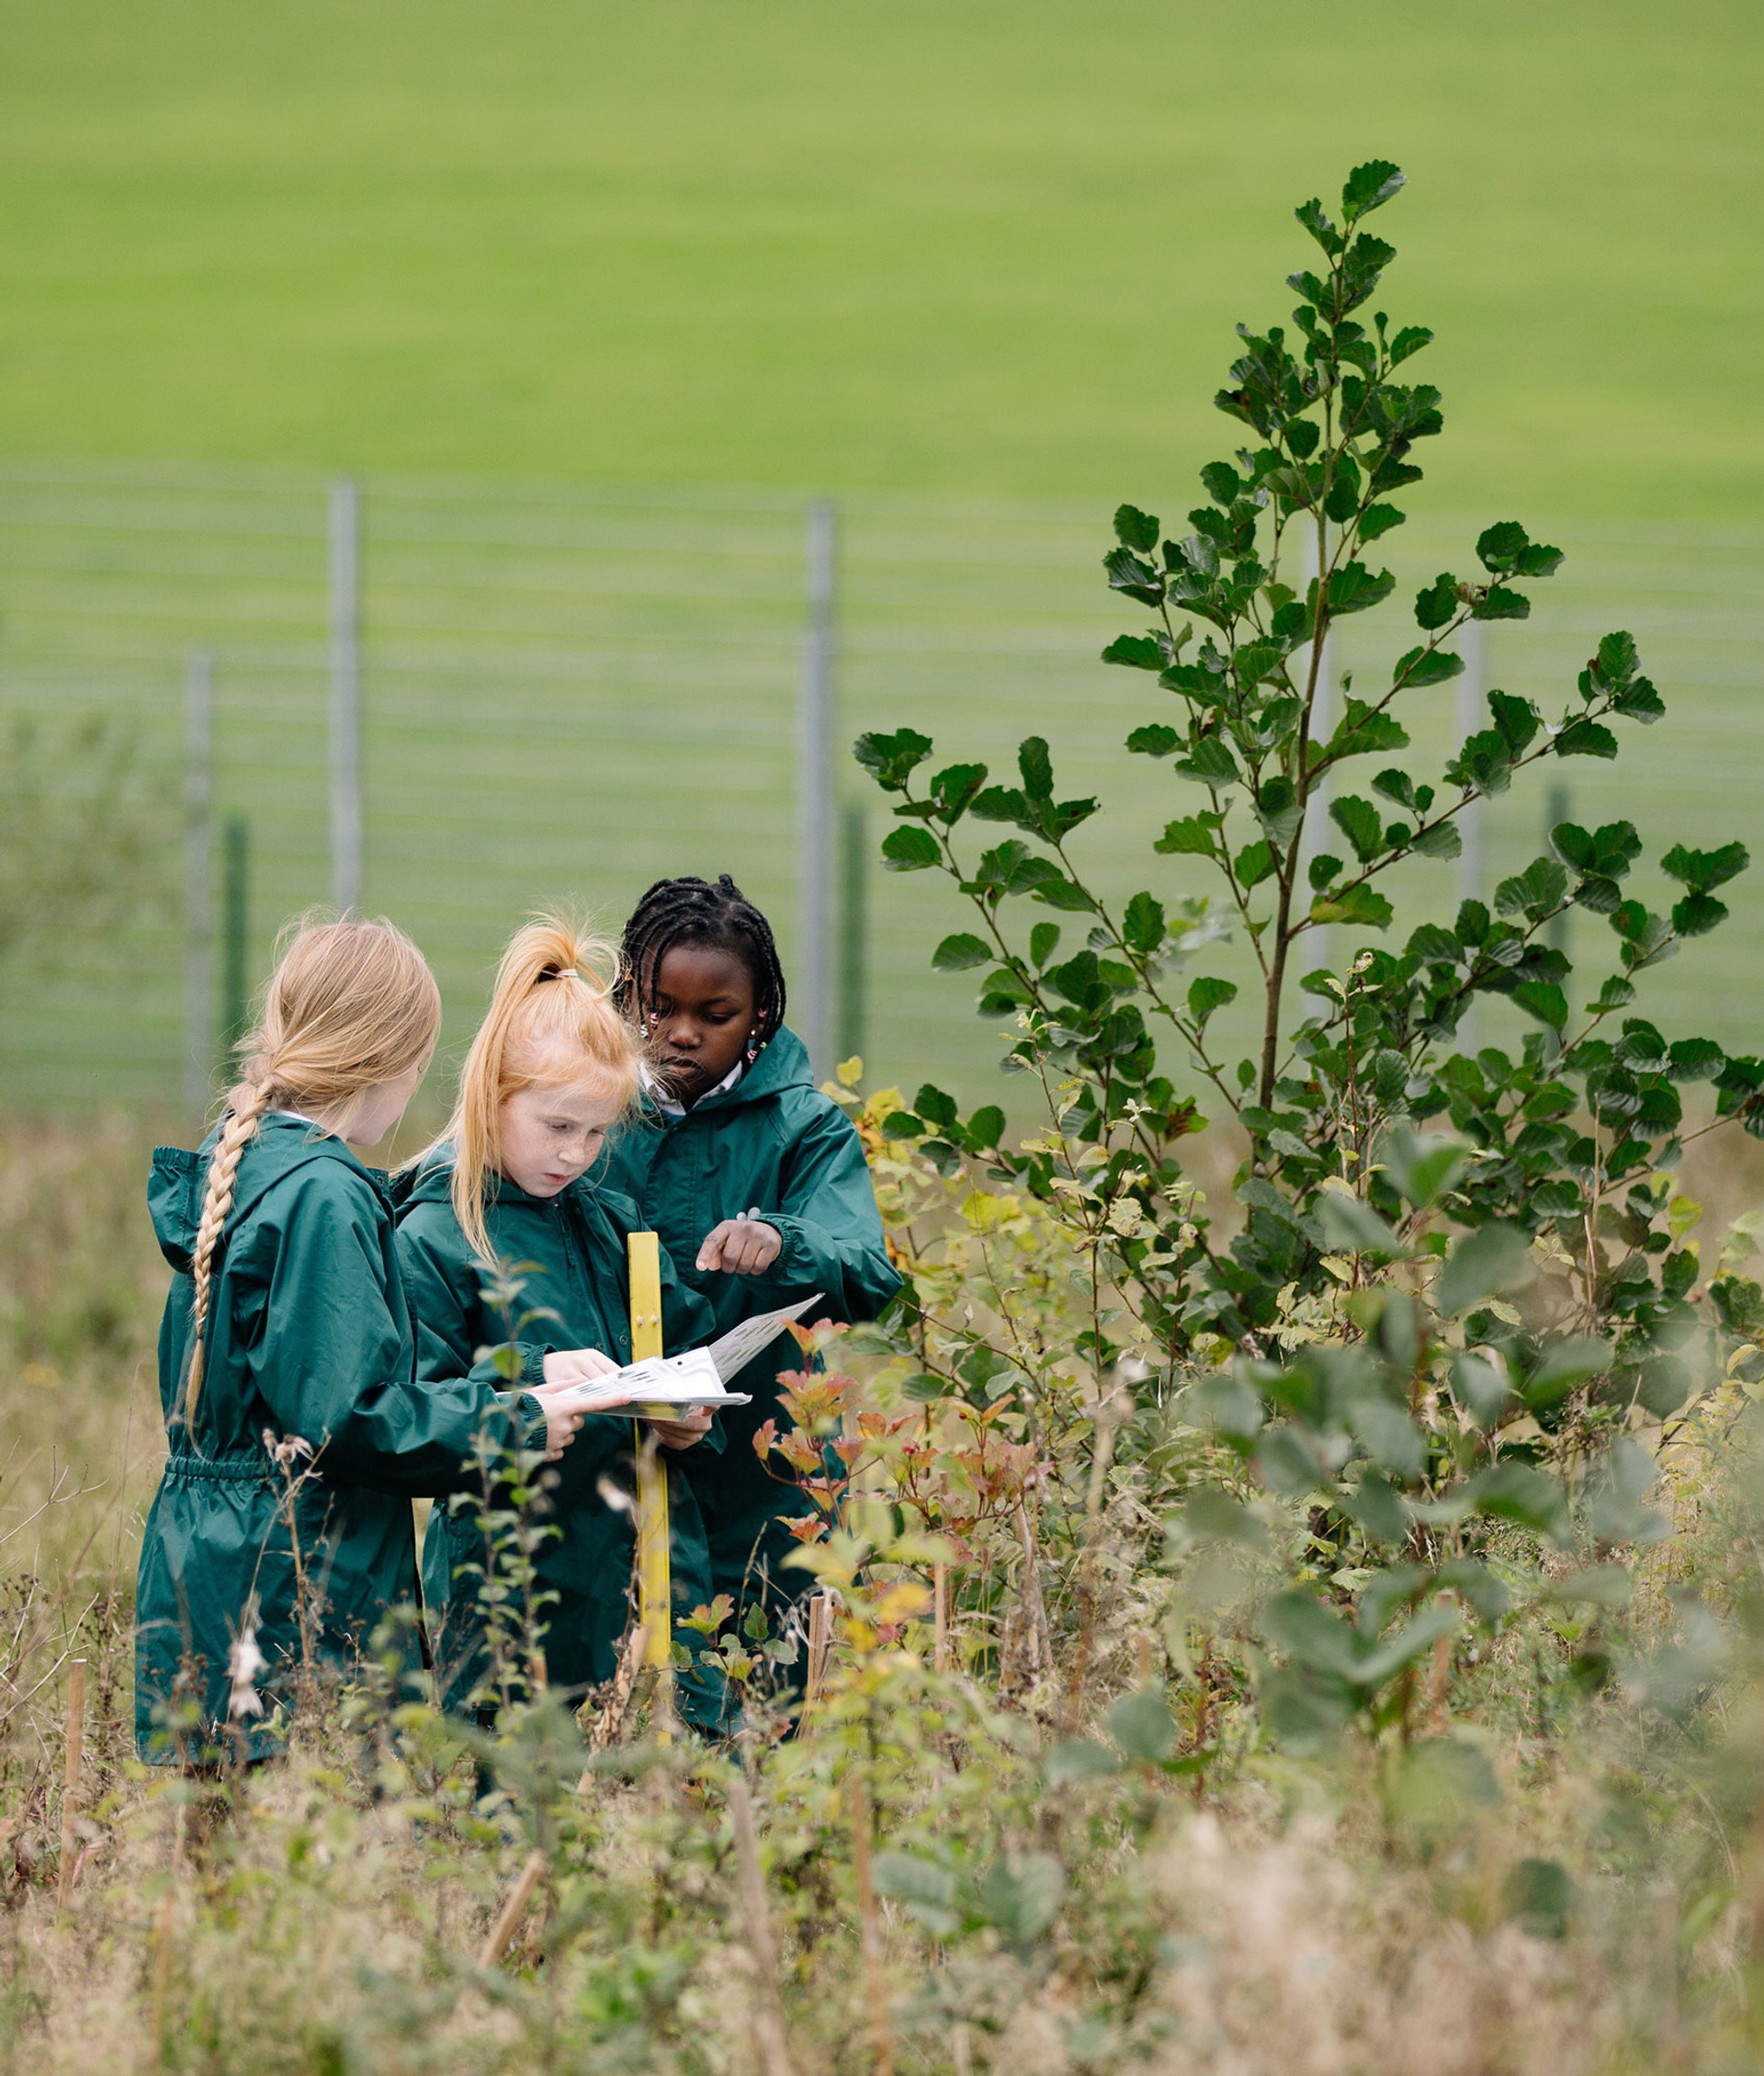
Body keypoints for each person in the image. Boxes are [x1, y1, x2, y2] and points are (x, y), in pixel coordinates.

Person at [135, 917, 588, 1764]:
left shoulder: (251, 1161)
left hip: (210, 1564)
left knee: (218, 1837)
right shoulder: (323, 1194)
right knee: (314, 1829)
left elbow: (312, 1380)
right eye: (419, 1062)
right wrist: (518, 1422)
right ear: (390, 1058)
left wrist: (520, 1378)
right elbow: (350, 1418)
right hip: (299, 1579)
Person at [394, 917, 726, 1727]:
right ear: (492, 1095)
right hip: (504, 1582)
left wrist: (691, 1411)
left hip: (639, 1571)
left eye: (597, 1131)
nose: (577, 1153)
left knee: (653, 1775)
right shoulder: (437, 1231)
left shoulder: (611, 1222)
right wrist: (528, 1371)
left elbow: (683, 1344)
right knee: (506, 1772)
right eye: (558, 1126)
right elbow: (411, 1401)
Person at [597, 873, 901, 1668]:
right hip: (605, 1465)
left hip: (761, 1474)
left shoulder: (804, 1128)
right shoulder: (586, 1112)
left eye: (715, 1015)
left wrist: (783, 1239)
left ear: (760, 1014)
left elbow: (869, 1275)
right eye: (659, 1008)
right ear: (628, 996)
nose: (682, 1033)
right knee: (609, 1695)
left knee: (760, 1689)